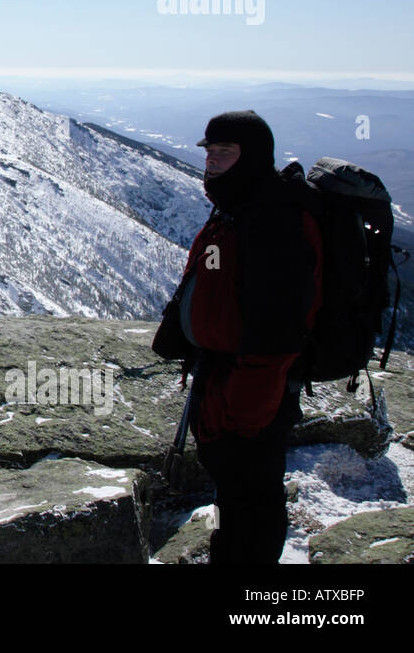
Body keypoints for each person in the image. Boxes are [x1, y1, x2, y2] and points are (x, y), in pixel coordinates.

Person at [154, 110, 322, 564]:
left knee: (252, 493)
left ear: (253, 157)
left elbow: (279, 326)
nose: (211, 162)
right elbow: (212, 275)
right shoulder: (234, 209)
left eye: (224, 153)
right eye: (209, 152)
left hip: (251, 388)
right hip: (221, 374)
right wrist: (183, 326)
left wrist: (246, 409)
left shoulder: (272, 220)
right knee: (232, 489)